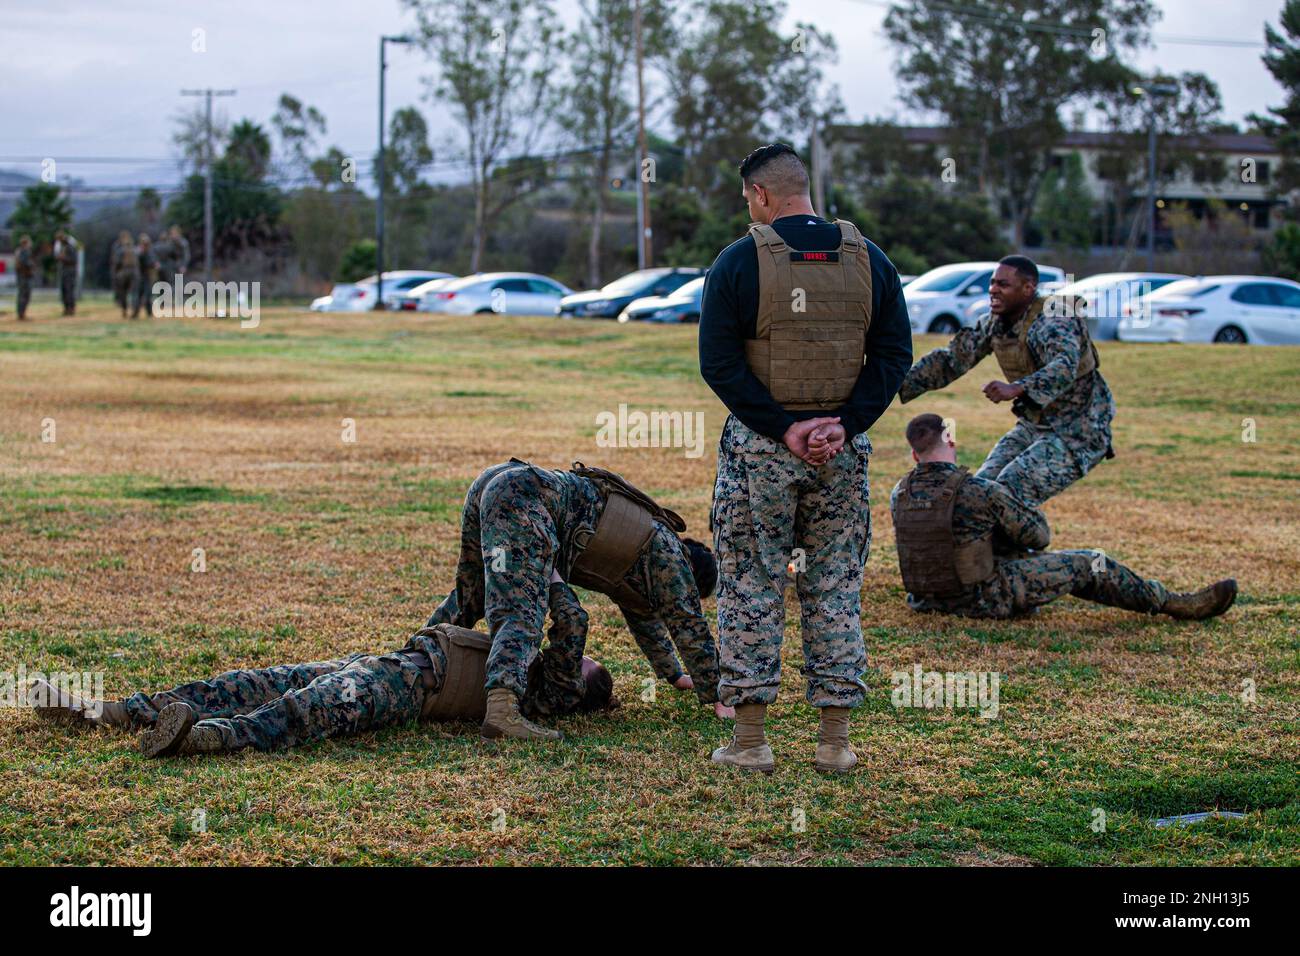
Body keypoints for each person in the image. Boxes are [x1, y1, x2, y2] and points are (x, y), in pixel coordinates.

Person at [698, 143, 913, 774]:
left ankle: (749, 743)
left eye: (748, 200)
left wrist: (785, 429)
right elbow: (894, 357)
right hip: (842, 455)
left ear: (761, 194)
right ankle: (835, 744)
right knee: (834, 589)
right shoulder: (868, 259)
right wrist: (840, 427)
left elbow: (719, 365)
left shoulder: (739, 261)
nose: (750, 211)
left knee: (750, 585)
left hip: (759, 453)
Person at [28, 580, 617, 757]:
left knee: (301, 711)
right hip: (387, 662)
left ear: (580, 683)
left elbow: (570, 621)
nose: (580, 659)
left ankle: (203, 738)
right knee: (251, 681)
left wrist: (550, 569)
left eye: (588, 665)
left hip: (410, 689)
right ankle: (109, 710)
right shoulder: (514, 655)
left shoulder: (553, 687)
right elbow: (463, 604)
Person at [428, 459, 730, 740]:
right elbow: (689, 624)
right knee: (520, 609)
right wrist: (718, 694)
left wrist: (675, 675)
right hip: (523, 499)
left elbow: (644, 618)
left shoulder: (648, 551)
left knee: (471, 594)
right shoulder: (673, 560)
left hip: (495, 484)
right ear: (692, 576)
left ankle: (420, 649)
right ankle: (502, 709)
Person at [889, 413, 1237, 621]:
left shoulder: (898, 493)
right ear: (949, 440)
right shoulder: (980, 491)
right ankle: (1172, 603)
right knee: (1090, 563)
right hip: (981, 600)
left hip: (925, 600)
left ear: (914, 453)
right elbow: (1039, 537)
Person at [898, 255, 1115, 507]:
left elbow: (1064, 366)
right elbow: (951, 360)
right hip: (1035, 424)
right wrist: (892, 383)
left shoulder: (1054, 319)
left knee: (1008, 492)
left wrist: (1017, 388)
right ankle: (994, 547)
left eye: (1003, 284)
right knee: (977, 492)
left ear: (1028, 288)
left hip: (1079, 429)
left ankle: (1028, 546)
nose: (993, 290)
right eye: (991, 283)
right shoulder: (996, 323)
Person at [110, 230, 139, 318]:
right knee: (135, 292)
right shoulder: (135, 250)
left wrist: (115, 273)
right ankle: (134, 309)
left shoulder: (120, 250)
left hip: (123, 272)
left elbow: (117, 262)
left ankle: (124, 309)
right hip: (134, 272)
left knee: (123, 292)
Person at [132, 232, 159, 319]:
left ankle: (149, 313)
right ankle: (135, 313)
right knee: (138, 295)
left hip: (148, 275)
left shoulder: (150, 252)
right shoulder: (137, 250)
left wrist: (155, 264)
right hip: (139, 276)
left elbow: (153, 261)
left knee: (148, 295)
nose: (145, 245)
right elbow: (137, 258)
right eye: (144, 243)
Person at [53, 229, 79, 315]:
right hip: (64, 271)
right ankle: (66, 308)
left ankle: (71, 308)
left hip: (70, 271)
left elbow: (73, 260)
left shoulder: (70, 247)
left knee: (69, 290)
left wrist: (63, 258)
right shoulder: (62, 248)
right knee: (64, 290)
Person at [14, 235, 35, 321]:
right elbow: (24, 263)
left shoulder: (19, 251)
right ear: (26, 243)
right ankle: (21, 314)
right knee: (24, 295)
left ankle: (21, 313)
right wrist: (31, 267)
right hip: (24, 276)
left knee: (22, 295)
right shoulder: (24, 251)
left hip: (22, 276)